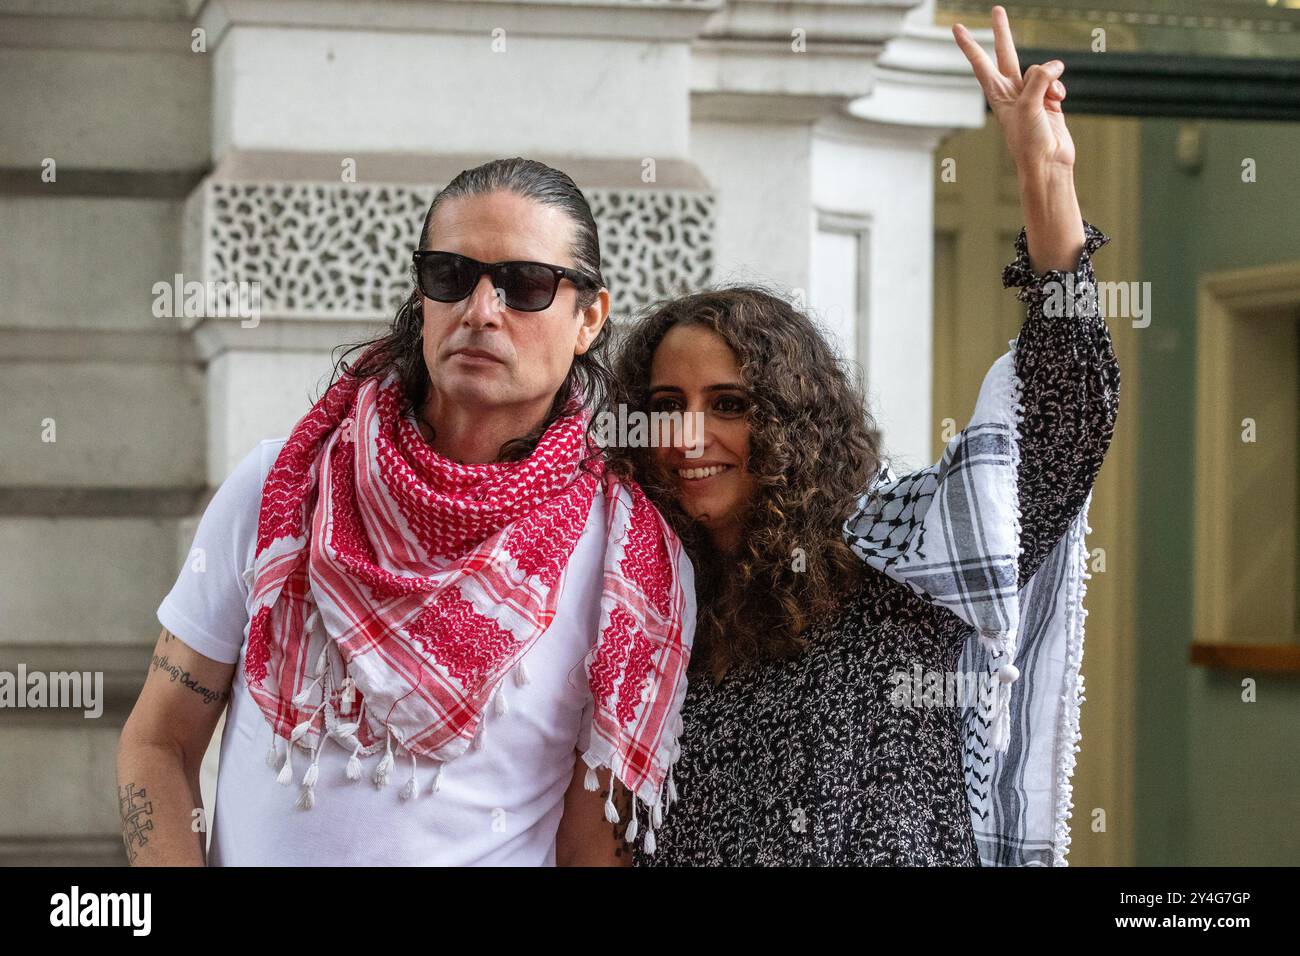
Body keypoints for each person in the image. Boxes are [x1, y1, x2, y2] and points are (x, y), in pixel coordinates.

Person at [607, 6, 1120, 865]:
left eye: (730, 403)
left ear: (796, 422)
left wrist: (1045, 178)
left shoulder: (894, 559)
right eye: (667, 402)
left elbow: (1065, 419)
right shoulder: (644, 605)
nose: (690, 432)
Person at [116, 158, 695, 866]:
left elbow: (589, 851)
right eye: (450, 276)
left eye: (526, 285)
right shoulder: (285, 484)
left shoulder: (625, 557)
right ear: (423, 296)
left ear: (589, 318)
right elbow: (159, 743)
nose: (482, 311)